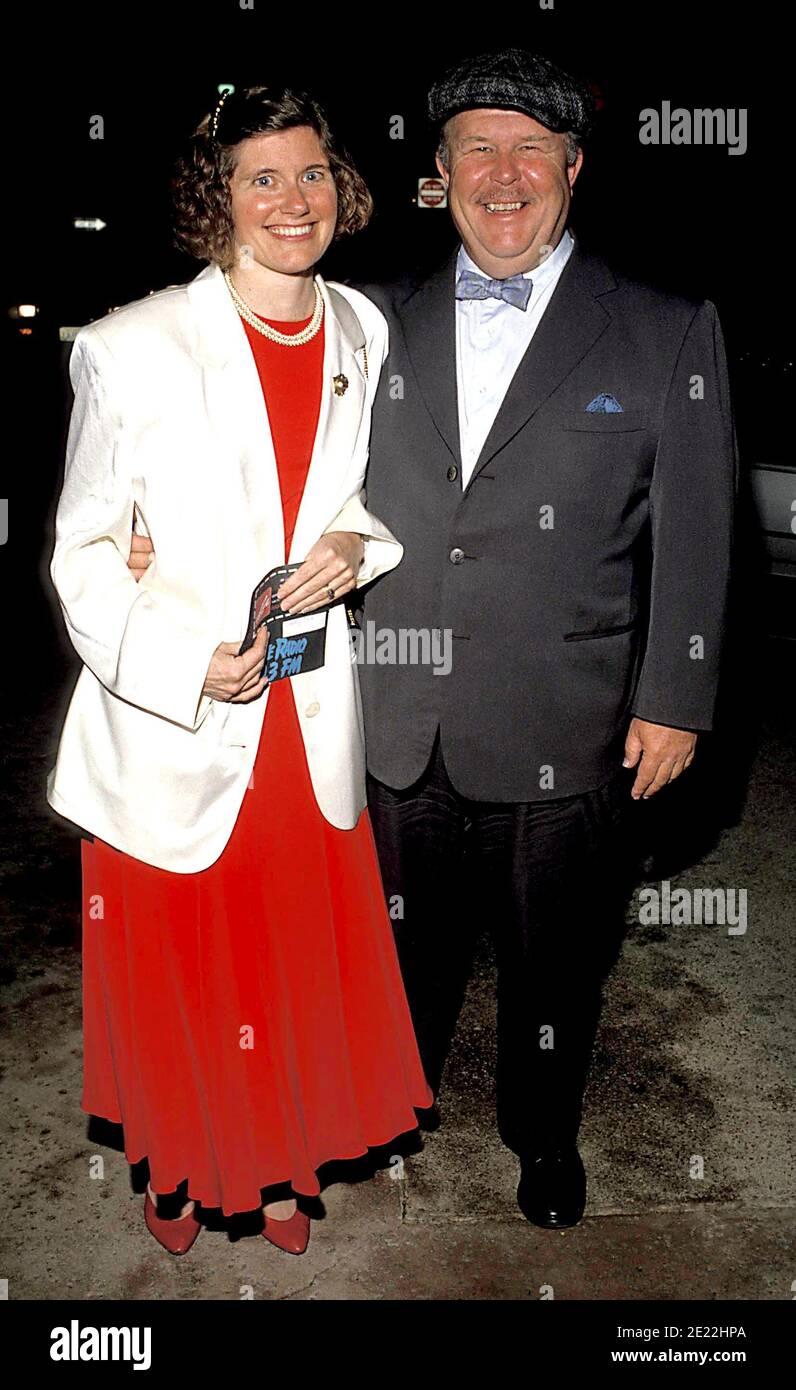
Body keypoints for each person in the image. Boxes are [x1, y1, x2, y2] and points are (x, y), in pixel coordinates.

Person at [47, 83, 433, 1259]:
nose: (290, 200)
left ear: (343, 188)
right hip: (171, 717)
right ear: (216, 197)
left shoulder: (366, 332)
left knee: (285, 963)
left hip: (307, 719)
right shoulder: (129, 345)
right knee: (183, 963)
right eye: (260, 176)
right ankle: (175, 1159)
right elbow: (81, 553)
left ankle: (276, 1163)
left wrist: (353, 547)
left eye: (310, 173)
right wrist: (182, 665)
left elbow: (373, 502)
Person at [355, 49, 736, 1228]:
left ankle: (542, 1135)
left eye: (530, 149)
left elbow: (700, 531)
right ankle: (387, 1108)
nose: (502, 173)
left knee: (552, 961)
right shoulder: (372, 322)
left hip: (565, 718)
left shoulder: (666, 328)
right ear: (441, 176)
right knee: (396, 955)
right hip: (394, 711)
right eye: (476, 147)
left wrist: (674, 698)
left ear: (573, 170)